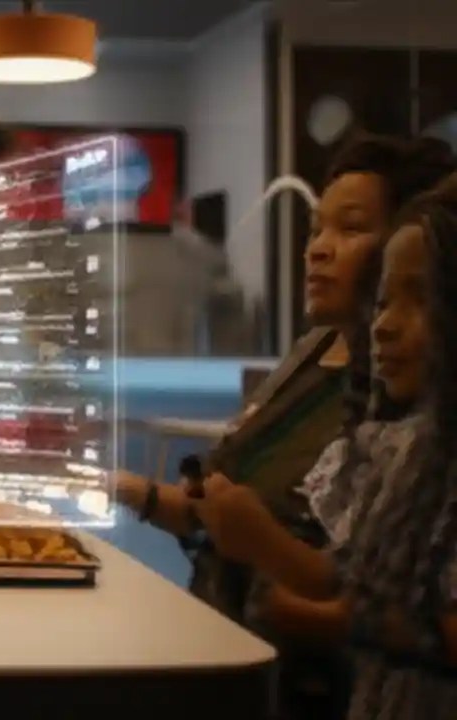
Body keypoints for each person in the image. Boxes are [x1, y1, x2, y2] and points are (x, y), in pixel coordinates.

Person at [114, 134, 457, 719]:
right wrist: (122, 488)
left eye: (349, 230)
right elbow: (228, 510)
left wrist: (301, 592)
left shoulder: (408, 425)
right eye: (316, 229)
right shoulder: (318, 351)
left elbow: (347, 587)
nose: (318, 250)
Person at [199, 175, 457, 718]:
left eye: (421, 299)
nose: (385, 325)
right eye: (383, 302)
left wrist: (325, 617)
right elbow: (349, 575)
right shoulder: (407, 447)